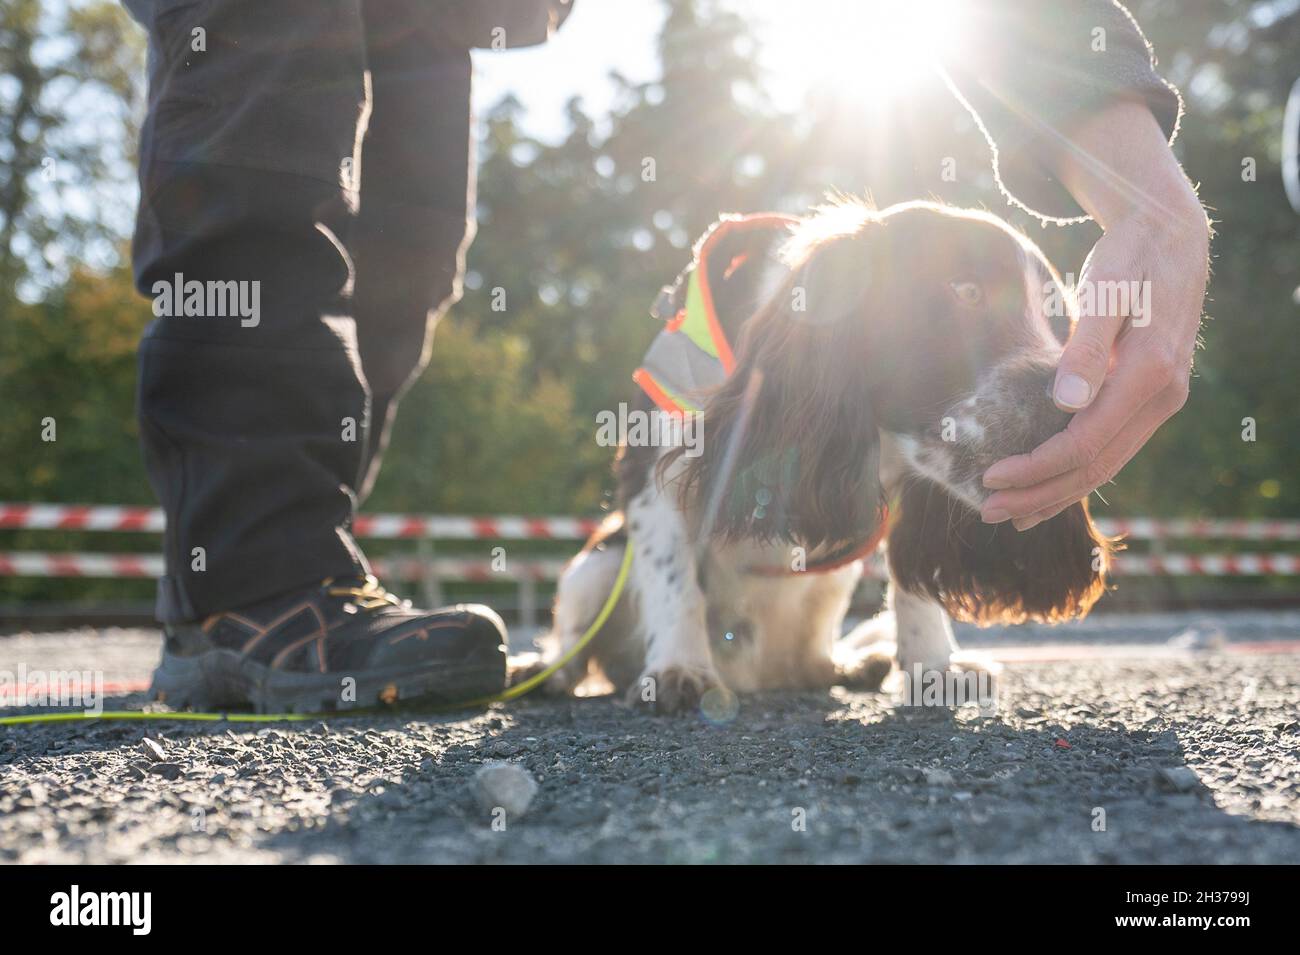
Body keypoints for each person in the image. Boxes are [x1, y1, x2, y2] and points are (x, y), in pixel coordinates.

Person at [121, 0, 1208, 712]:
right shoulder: (735, 307)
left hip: (442, 10)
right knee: (268, 191)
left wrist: (1132, 171)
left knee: (405, 253)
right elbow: (649, 464)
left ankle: (301, 556)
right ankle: (256, 585)